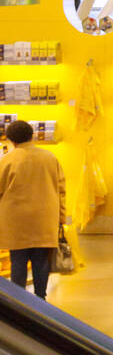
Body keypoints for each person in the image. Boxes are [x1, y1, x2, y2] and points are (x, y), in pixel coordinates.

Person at [0, 120, 66, 300]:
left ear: (11, 140)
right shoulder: (50, 158)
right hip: (44, 219)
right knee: (41, 260)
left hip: (15, 221)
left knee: (18, 261)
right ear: (32, 135)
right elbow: (61, 190)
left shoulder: (6, 160)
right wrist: (61, 218)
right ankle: (40, 299)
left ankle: (19, 300)